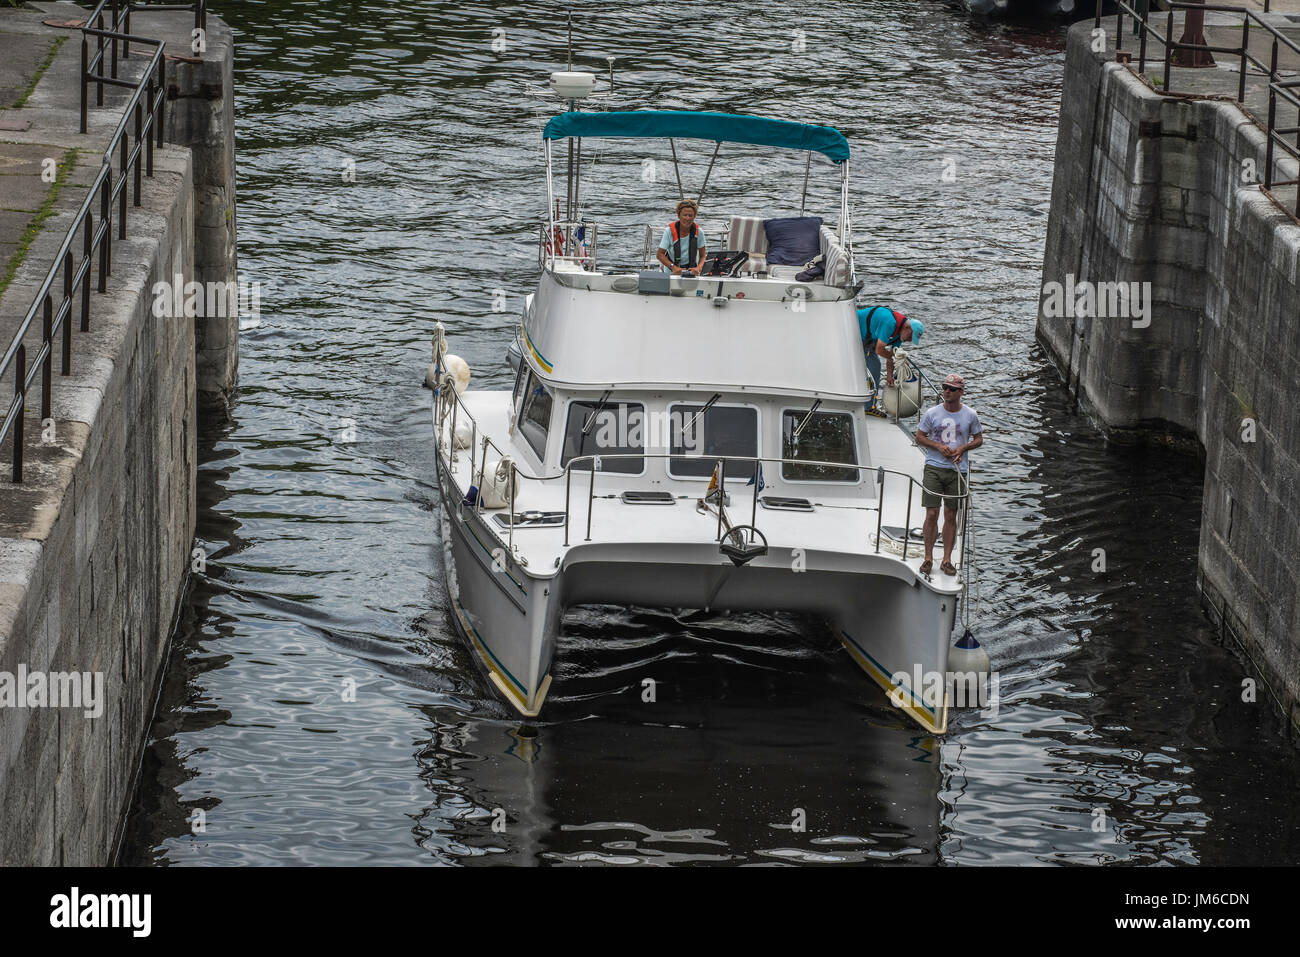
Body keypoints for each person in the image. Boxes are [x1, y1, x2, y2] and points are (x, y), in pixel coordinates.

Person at [914, 373, 982, 577]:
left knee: (951, 514)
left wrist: (963, 449)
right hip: (934, 467)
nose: (946, 391)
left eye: (952, 389)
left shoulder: (970, 415)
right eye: (945, 387)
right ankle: (928, 557)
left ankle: (946, 559)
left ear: (960, 392)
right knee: (932, 513)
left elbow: (979, 439)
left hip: (957, 470)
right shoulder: (932, 413)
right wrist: (937, 446)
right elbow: (919, 437)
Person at [857, 305, 923, 413]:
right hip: (856, 330)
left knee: (873, 364)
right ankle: (868, 408)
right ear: (907, 328)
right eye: (911, 337)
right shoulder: (890, 323)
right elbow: (879, 350)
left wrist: (890, 376)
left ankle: (868, 403)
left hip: (870, 339)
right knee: (875, 366)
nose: (910, 340)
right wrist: (897, 360)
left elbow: (893, 355)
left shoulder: (900, 334)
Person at [657, 199, 707, 276]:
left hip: (692, 271)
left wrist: (698, 268)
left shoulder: (699, 232)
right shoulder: (669, 231)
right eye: (685, 215)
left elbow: (703, 255)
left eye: (690, 215)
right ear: (679, 215)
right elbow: (660, 254)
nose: (687, 218)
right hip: (671, 271)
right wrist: (673, 267)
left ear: (694, 217)